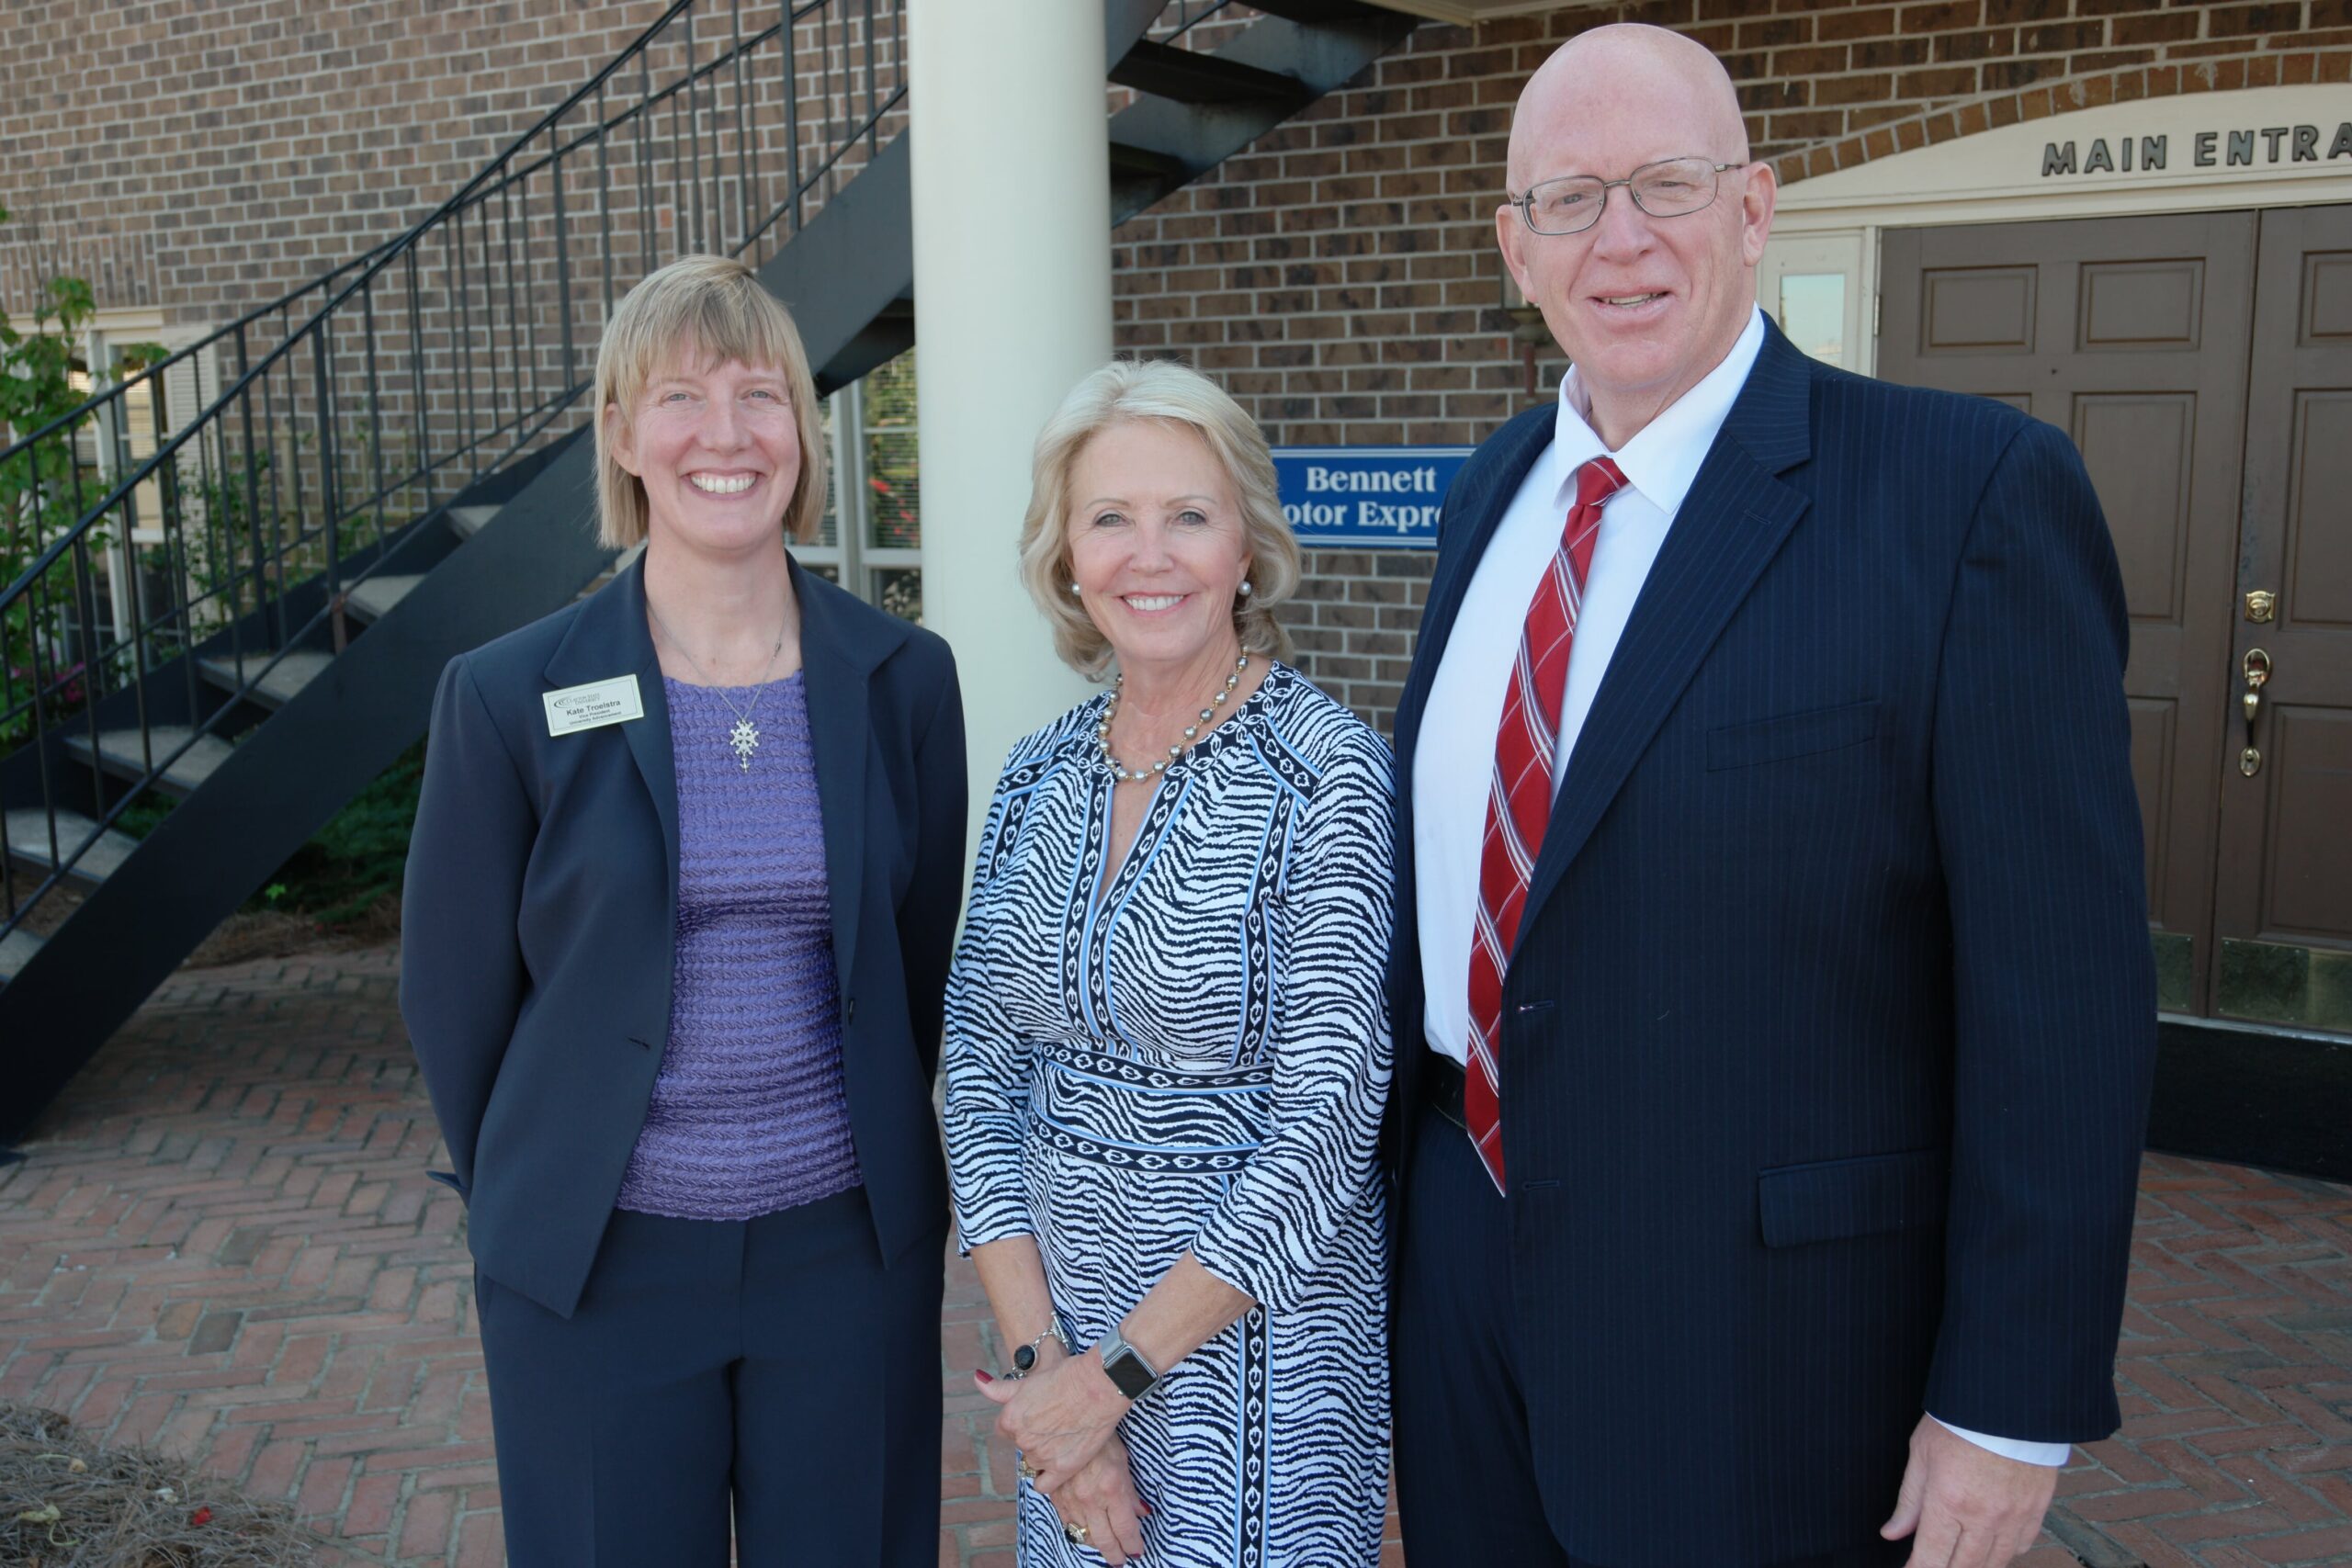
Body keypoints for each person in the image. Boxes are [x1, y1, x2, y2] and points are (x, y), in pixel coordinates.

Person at [1385, 25, 2157, 1568]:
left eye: (1668, 184)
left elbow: (2061, 1000)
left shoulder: (1966, 498)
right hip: (1469, 1267)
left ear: (1756, 207)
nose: (1622, 238)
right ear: (1514, 245)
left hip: (1770, 1343)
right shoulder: (1489, 495)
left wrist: (2009, 1403)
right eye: (1571, 198)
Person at [399, 254, 967, 1567]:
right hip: (599, 1262)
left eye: (761, 394)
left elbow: (916, 959)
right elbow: (453, 990)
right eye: (681, 398)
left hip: (845, 1254)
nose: (727, 435)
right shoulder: (506, 694)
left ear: (803, 434)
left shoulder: (902, 681)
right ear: (621, 435)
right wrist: (545, 1183)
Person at [943, 359, 1395, 1568]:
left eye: (1188, 516)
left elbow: (1332, 1121)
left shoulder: (1326, 771)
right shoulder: (1037, 775)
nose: (1151, 556)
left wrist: (1120, 1377)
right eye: (1111, 519)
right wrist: (1049, 1372)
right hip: (1062, 1346)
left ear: (1246, 545)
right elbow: (978, 1071)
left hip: (1258, 1355)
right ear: (1067, 557)